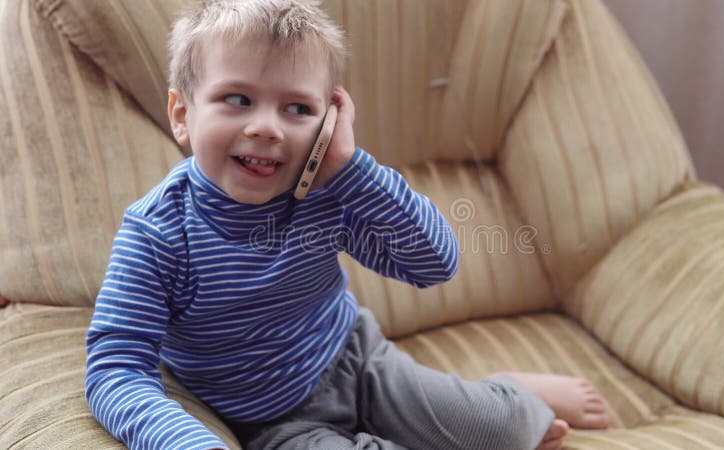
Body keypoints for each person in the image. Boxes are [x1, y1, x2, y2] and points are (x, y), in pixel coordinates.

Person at [84, 1, 609, 449]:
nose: (265, 126)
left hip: (358, 358)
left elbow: (434, 263)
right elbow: (116, 368)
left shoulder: (326, 194)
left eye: (297, 108)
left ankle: (506, 392)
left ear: (329, 120)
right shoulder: (157, 233)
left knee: (504, 428)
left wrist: (350, 168)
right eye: (237, 99)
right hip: (274, 423)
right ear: (182, 114)